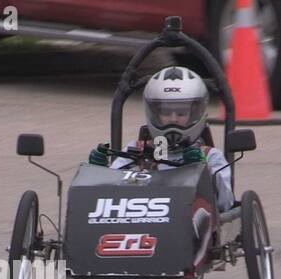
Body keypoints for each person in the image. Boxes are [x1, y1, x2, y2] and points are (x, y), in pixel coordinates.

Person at [90, 66, 234, 212]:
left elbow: (225, 203)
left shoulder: (211, 156)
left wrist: (202, 173)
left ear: (196, 113)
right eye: (166, 112)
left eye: (181, 112)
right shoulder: (134, 151)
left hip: (190, 227)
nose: (173, 119)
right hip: (141, 224)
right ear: (154, 113)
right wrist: (99, 173)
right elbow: (108, 197)